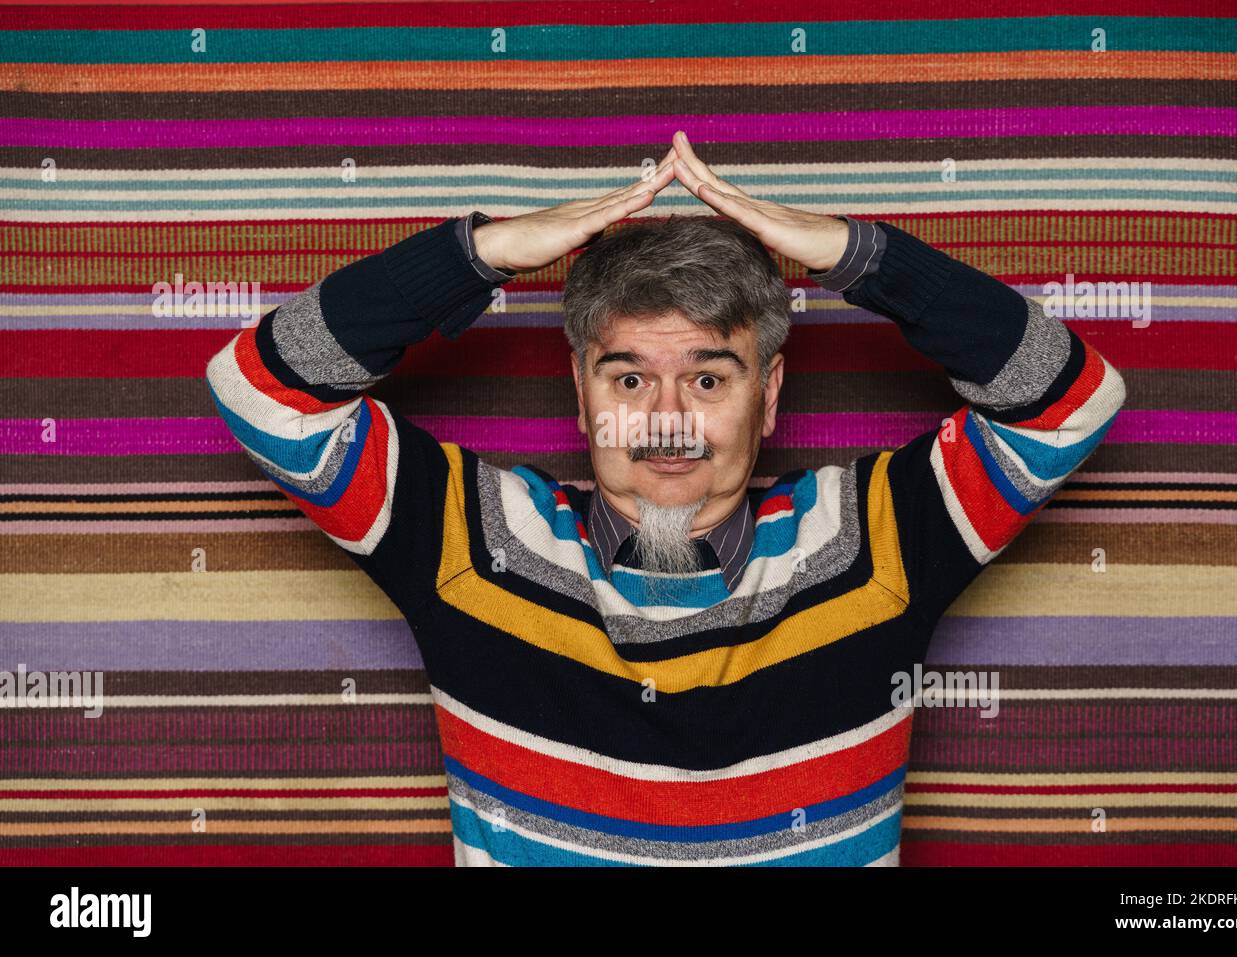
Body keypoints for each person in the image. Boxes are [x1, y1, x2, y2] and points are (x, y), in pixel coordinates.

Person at [205, 130, 1127, 866]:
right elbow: (260, 391)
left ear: (769, 396)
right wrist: (480, 252)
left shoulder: (870, 541)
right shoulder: (474, 541)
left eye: (711, 379)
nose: (669, 422)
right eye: (630, 380)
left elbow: (1072, 403)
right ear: (580, 392)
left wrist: (859, 257)